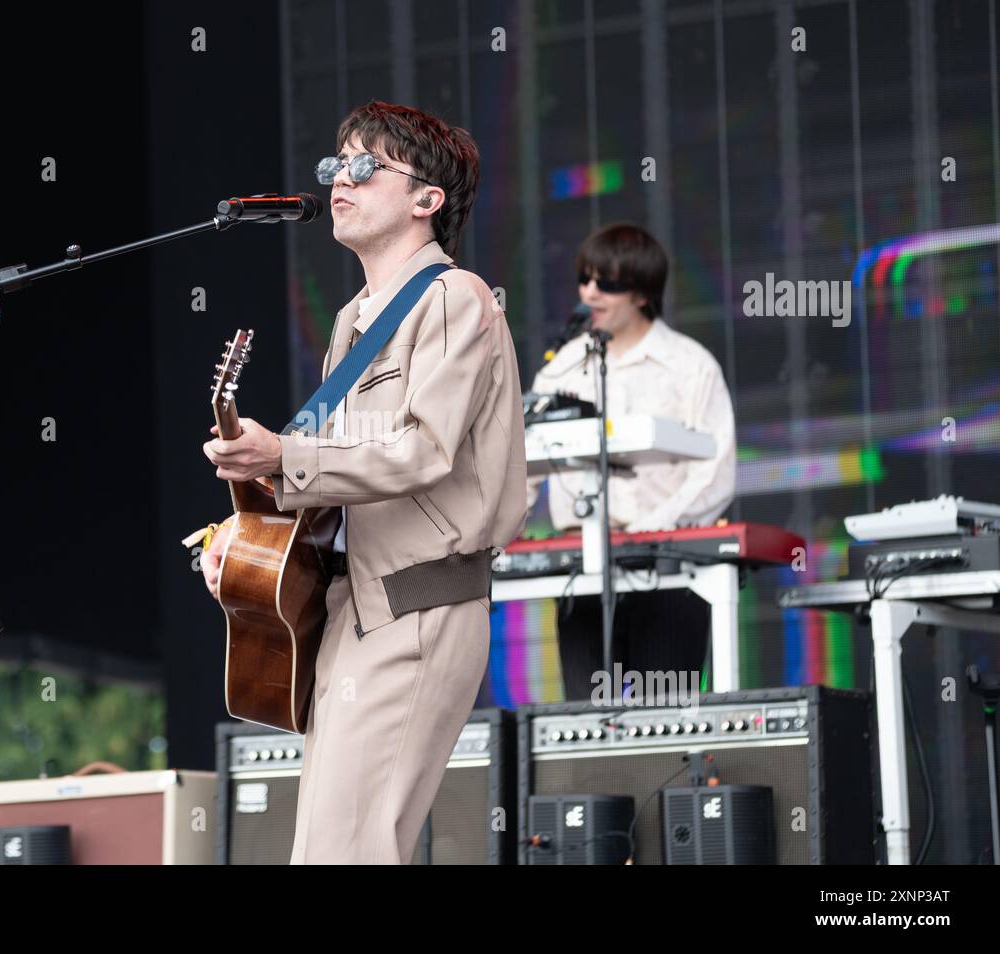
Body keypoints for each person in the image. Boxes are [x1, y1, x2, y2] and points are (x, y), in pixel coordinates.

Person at [200, 100, 526, 863]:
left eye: (363, 166)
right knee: (328, 848)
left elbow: (421, 453)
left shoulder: (456, 298)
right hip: (354, 609)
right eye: (334, 164)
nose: (338, 181)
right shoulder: (352, 323)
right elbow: (332, 491)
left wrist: (283, 458)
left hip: (419, 601)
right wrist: (242, 540)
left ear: (426, 200)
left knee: (349, 849)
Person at [527, 223, 736, 701]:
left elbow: (717, 471)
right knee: (584, 727)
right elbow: (524, 465)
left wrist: (646, 535)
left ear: (642, 294)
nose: (590, 293)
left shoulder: (690, 365)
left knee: (665, 727)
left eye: (609, 284)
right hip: (580, 570)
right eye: (585, 280)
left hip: (668, 571)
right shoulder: (560, 368)